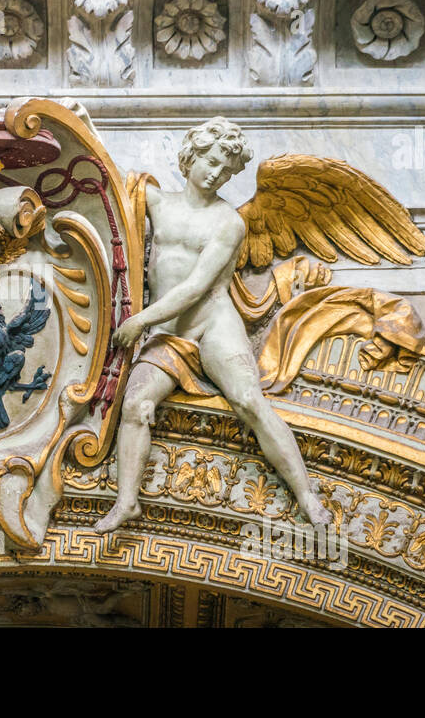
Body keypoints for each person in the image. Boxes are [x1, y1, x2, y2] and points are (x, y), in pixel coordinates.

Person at [95, 116, 332, 533]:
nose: (216, 173)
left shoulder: (230, 222)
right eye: (212, 160)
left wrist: (139, 321)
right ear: (192, 155)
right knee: (135, 405)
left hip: (211, 321)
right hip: (168, 334)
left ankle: (307, 496)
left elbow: (196, 286)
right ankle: (127, 501)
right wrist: (83, 123)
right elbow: (105, 179)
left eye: (226, 169)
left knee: (248, 399)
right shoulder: (154, 202)